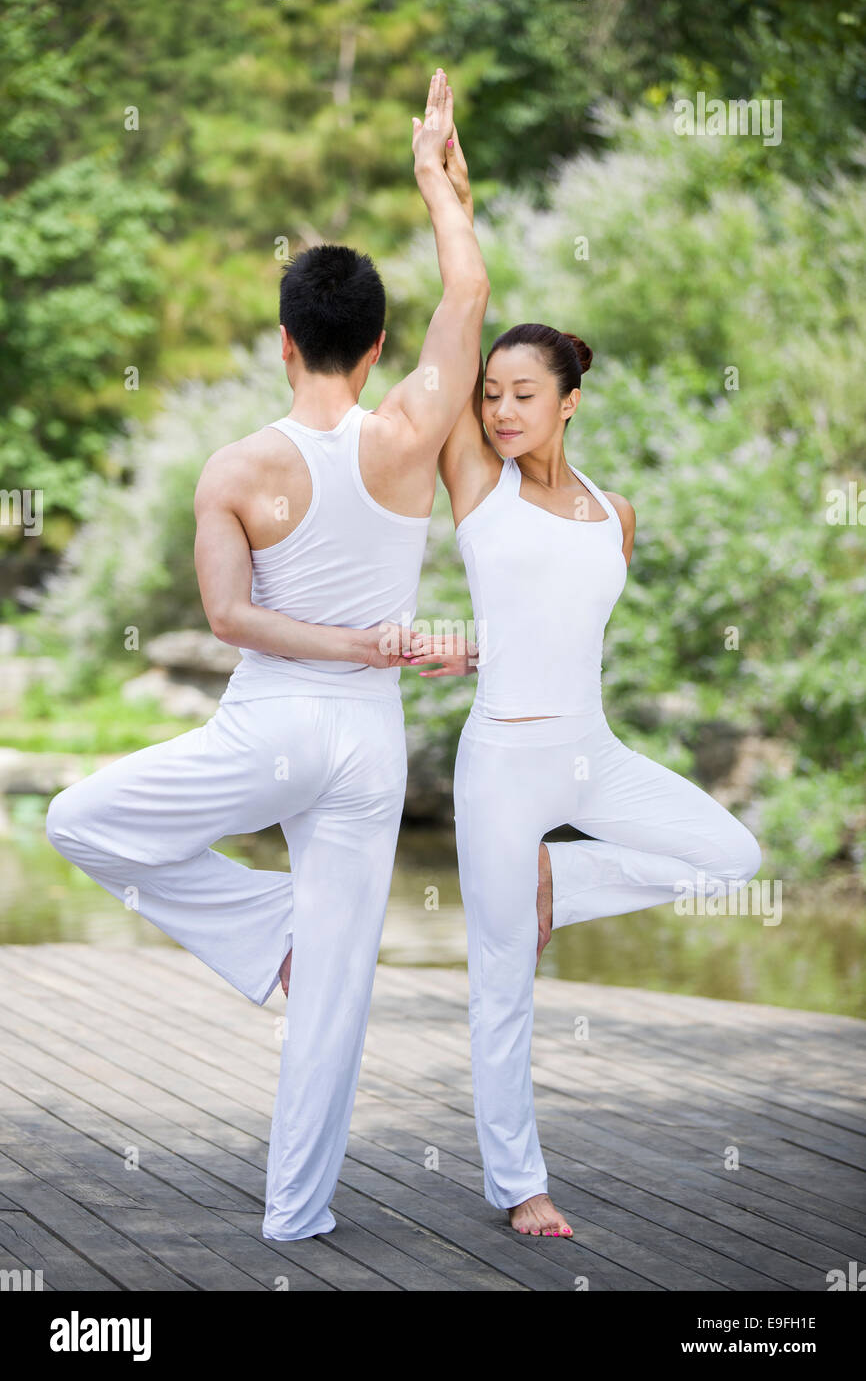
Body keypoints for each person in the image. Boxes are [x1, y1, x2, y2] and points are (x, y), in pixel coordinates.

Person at [45, 68, 490, 1242]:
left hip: (275, 724)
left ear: (283, 340)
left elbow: (230, 620)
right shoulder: (407, 435)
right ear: (375, 342)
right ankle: (296, 1221)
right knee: (334, 994)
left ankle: (255, 930)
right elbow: (472, 290)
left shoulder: (237, 470)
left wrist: (340, 644)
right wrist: (436, 177)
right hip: (369, 742)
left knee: (78, 821)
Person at [402, 132, 762, 1241]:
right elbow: (456, 321)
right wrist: (446, 199)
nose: (500, 409)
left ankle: (565, 879)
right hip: (502, 758)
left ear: (566, 403)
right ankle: (522, 1186)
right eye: (491, 395)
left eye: (522, 394)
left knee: (731, 856)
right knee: (500, 984)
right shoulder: (477, 484)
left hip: (589, 751)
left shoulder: (617, 515)